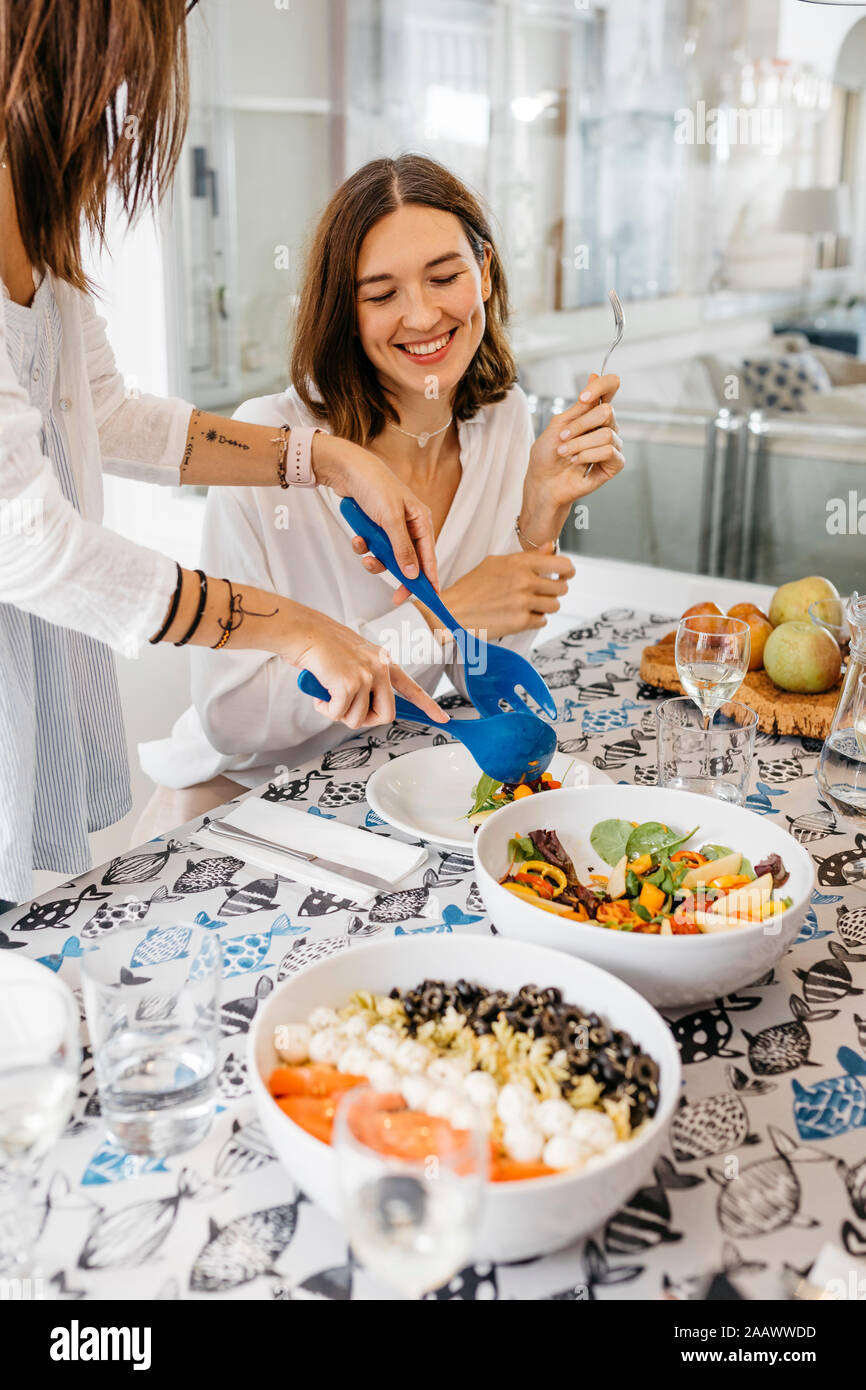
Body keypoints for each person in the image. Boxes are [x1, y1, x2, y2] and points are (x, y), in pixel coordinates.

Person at [0, 1, 443, 910]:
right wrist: (300, 626)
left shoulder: (34, 215)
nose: (135, 94)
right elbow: (32, 544)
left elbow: (110, 416)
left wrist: (323, 459)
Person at [138, 155, 624, 832]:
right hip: (238, 803)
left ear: (483, 272)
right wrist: (439, 614)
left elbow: (477, 673)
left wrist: (539, 513)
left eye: (444, 277)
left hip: (386, 786)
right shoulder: (273, 442)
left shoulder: (501, 415)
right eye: (381, 294)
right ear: (345, 309)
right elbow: (233, 716)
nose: (421, 315)